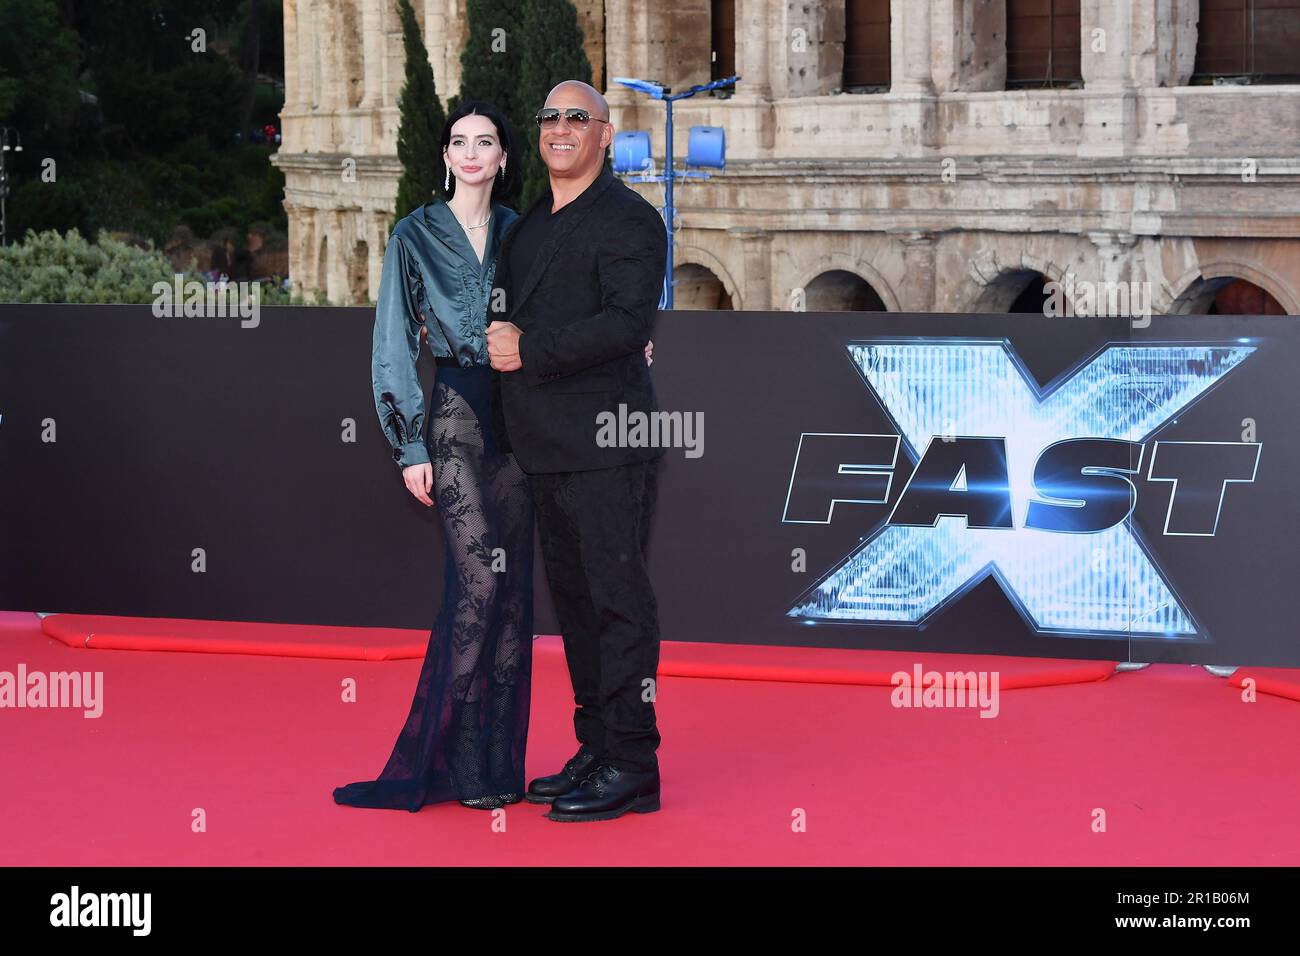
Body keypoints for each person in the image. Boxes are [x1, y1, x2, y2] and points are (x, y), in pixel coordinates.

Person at [332, 100, 533, 812]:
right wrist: (407, 443)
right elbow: (393, 348)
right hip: (453, 416)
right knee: (478, 582)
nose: (472, 152)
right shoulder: (413, 235)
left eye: (486, 141)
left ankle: (498, 753)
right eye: (459, 141)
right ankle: (457, 748)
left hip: (519, 422)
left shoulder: (521, 231)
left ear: (505, 158)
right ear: (444, 155)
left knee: (510, 596)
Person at [486, 80, 668, 823]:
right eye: (550, 116)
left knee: (618, 602)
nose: (560, 128)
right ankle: (596, 747)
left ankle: (633, 762)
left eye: (577, 118)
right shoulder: (530, 221)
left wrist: (530, 350)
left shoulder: (630, 219)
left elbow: (628, 323)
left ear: (605, 133)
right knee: (579, 607)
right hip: (544, 448)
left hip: (609, 443)